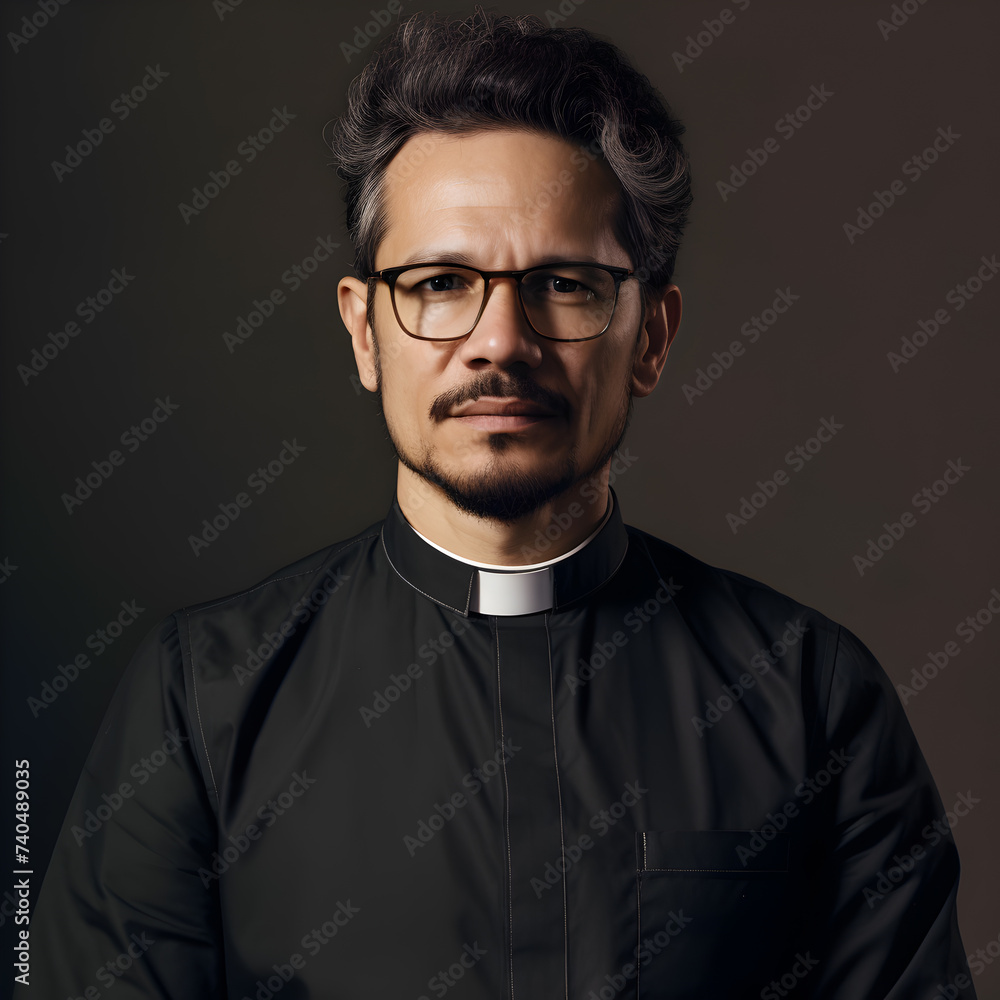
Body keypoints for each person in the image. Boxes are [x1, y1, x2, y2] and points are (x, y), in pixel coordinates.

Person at [22, 10, 975, 999]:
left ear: (651, 336)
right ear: (363, 330)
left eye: (563, 284)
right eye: (439, 283)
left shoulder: (812, 700)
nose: (498, 342)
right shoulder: (200, 704)